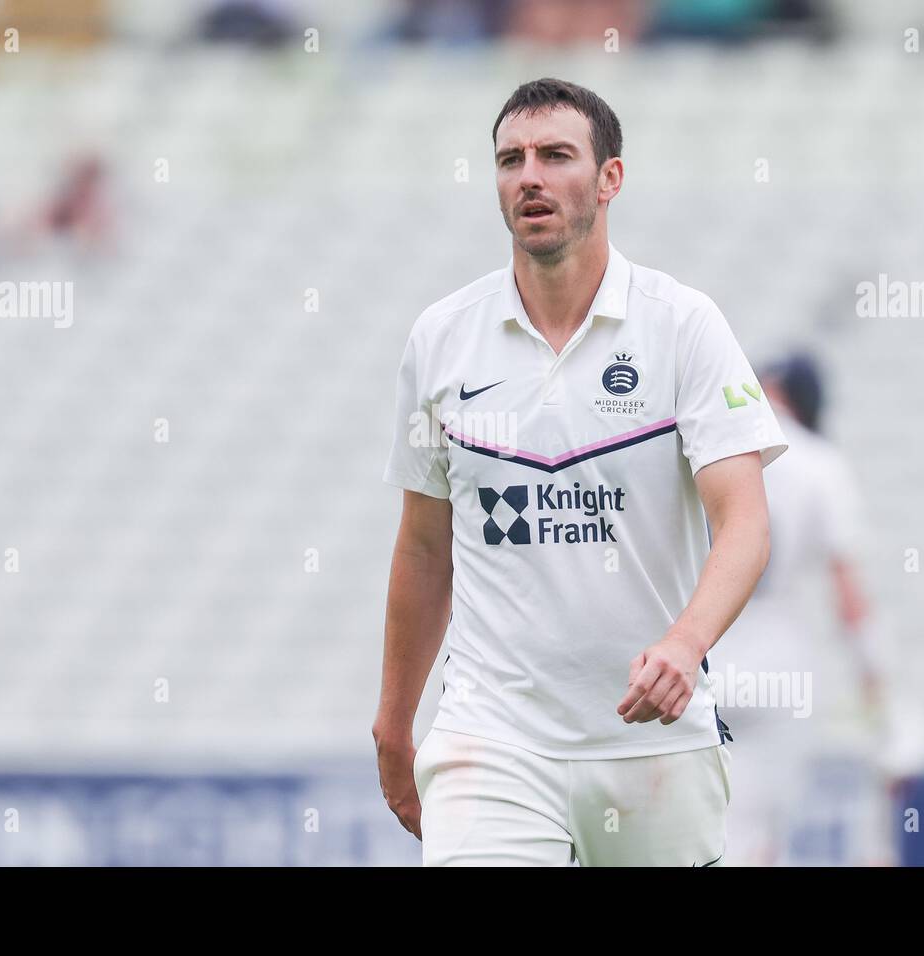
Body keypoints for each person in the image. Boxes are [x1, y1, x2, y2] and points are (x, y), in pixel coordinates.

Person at [373, 77, 789, 866]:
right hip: (491, 738)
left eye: (556, 155)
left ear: (610, 178)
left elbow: (745, 521)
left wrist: (684, 644)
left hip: (653, 748)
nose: (528, 176)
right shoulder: (441, 338)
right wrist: (395, 720)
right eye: (510, 160)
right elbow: (424, 549)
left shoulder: (683, 324)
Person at [715, 352, 893, 865]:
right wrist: (876, 687)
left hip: (698, 660)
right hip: (778, 671)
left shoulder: (705, 448)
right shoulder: (820, 463)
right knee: (761, 837)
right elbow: (849, 598)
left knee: (701, 830)